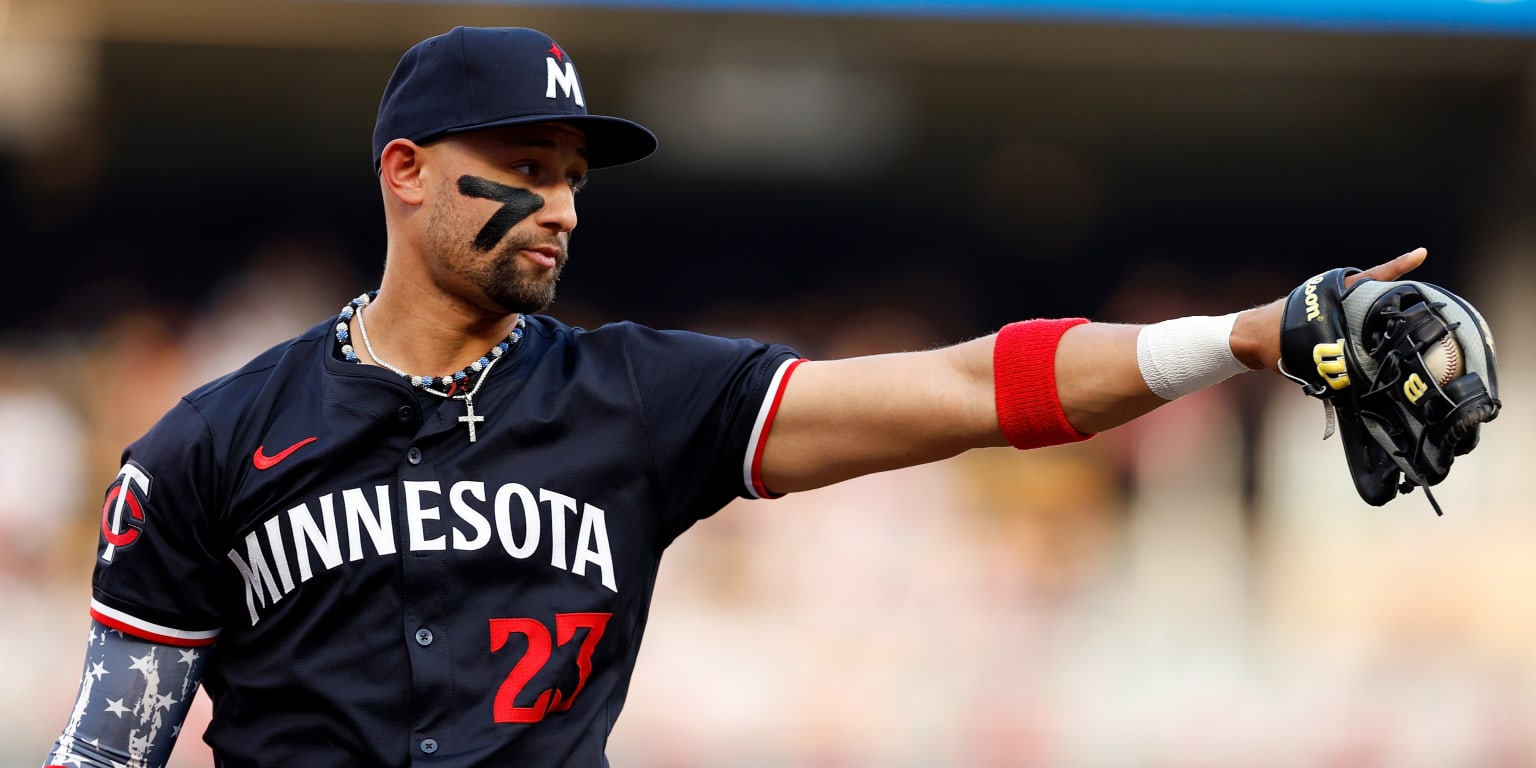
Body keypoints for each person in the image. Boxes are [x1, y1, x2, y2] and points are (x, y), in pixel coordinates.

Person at [43, 25, 1429, 768]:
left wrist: (1239, 338)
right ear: (405, 172)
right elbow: (109, 749)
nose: (560, 206)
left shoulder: (634, 398)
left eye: (573, 176)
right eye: (522, 167)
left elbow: (969, 387)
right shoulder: (209, 443)